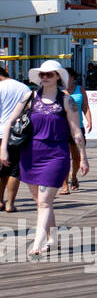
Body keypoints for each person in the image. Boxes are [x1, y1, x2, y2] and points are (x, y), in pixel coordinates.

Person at [0, 61, 88, 257]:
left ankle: (38, 243)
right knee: (40, 201)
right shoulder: (29, 96)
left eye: (49, 74)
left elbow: (76, 132)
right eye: (42, 74)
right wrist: (3, 149)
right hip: (30, 154)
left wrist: (83, 157)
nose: (45, 77)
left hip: (56, 155)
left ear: (58, 76)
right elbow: (8, 123)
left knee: (44, 202)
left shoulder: (66, 101)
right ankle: (53, 238)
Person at [0, 64, 33, 213]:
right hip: (18, 134)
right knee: (14, 170)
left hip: (1, 133)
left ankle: (0, 201)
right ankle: (10, 204)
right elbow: (30, 110)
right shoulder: (23, 88)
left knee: (1, 170)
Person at [61, 69, 92, 194]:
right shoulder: (58, 91)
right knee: (63, 157)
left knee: (76, 157)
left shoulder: (80, 89)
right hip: (62, 127)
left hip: (77, 127)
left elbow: (85, 106)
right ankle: (64, 185)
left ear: (73, 77)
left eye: (68, 77)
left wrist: (89, 120)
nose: (65, 80)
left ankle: (73, 177)